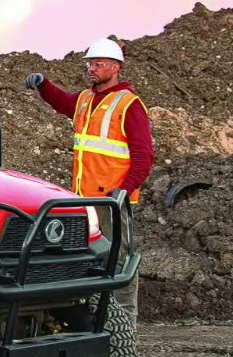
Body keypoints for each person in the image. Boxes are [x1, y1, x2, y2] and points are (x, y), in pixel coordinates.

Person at [25, 37, 154, 322]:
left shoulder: (128, 105)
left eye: (97, 64)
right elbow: (63, 102)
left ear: (115, 67)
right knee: (86, 259)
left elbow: (144, 156)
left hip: (110, 202)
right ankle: (91, 318)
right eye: (89, 64)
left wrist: (123, 190)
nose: (91, 69)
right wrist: (43, 84)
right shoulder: (86, 99)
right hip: (84, 200)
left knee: (117, 262)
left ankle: (124, 324)